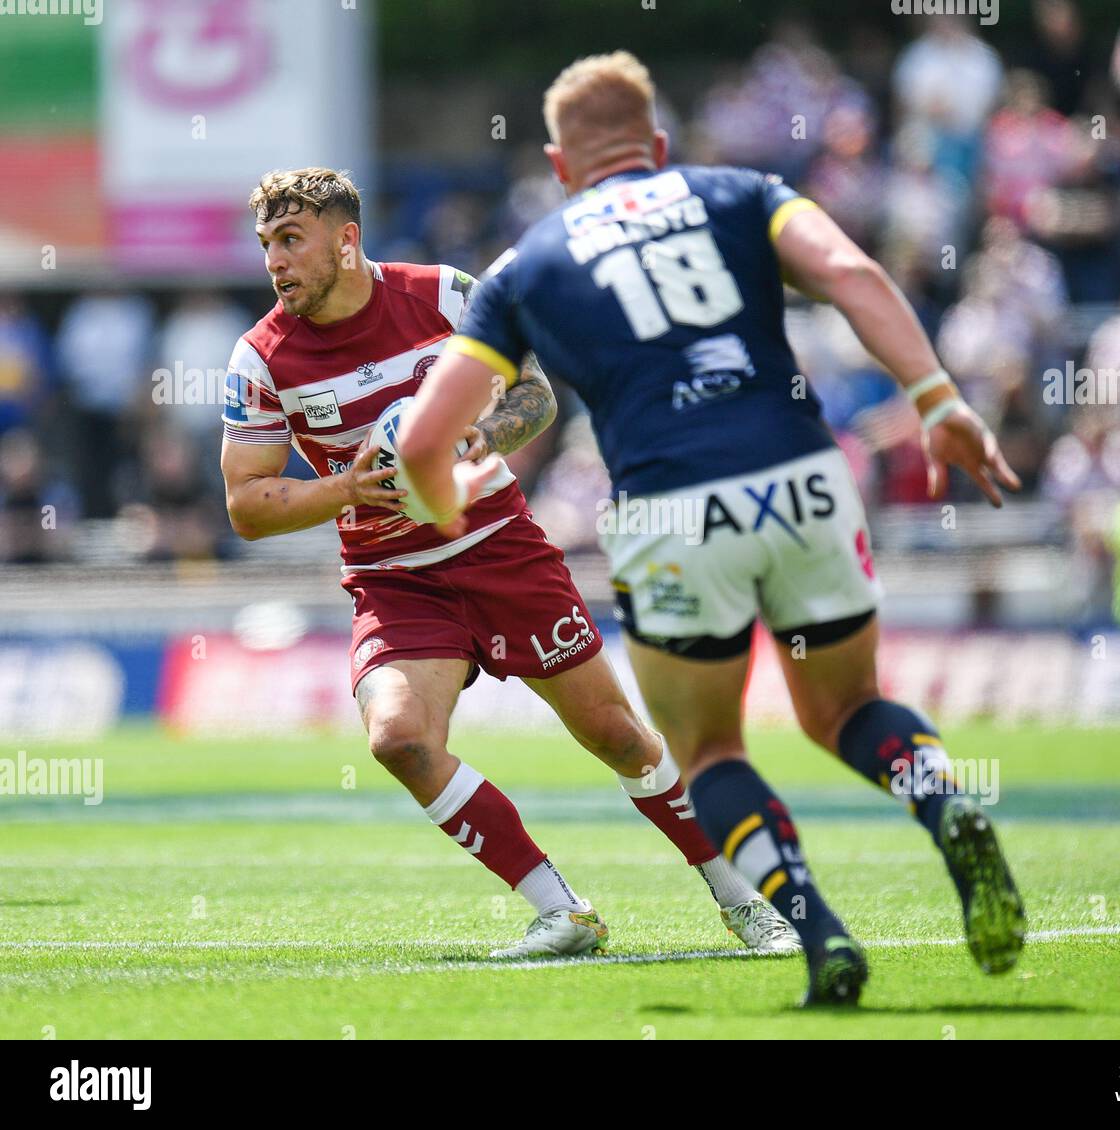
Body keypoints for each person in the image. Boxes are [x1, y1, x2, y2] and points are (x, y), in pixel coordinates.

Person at [400, 51, 1026, 1006]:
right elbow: (852, 274)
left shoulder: (526, 264)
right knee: (848, 710)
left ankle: (820, 936)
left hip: (672, 509)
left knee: (710, 754)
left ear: (558, 167)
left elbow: (425, 441)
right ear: (658, 146)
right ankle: (942, 805)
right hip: (805, 478)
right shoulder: (743, 191)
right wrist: (938, 400)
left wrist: (442, 511)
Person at [218, 168, 797, 960]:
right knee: (398, 740)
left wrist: (480, 439)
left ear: (346, 240)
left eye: (291, 241)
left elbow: (535, 395)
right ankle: (562, 911)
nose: (275, 263)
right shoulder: (261, 358)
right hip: (396, 578)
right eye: (266, 247)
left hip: (500, 551)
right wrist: (348, 487)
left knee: (618, 736)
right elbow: (248, 504)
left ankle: (743, 900)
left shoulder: (445, 294)